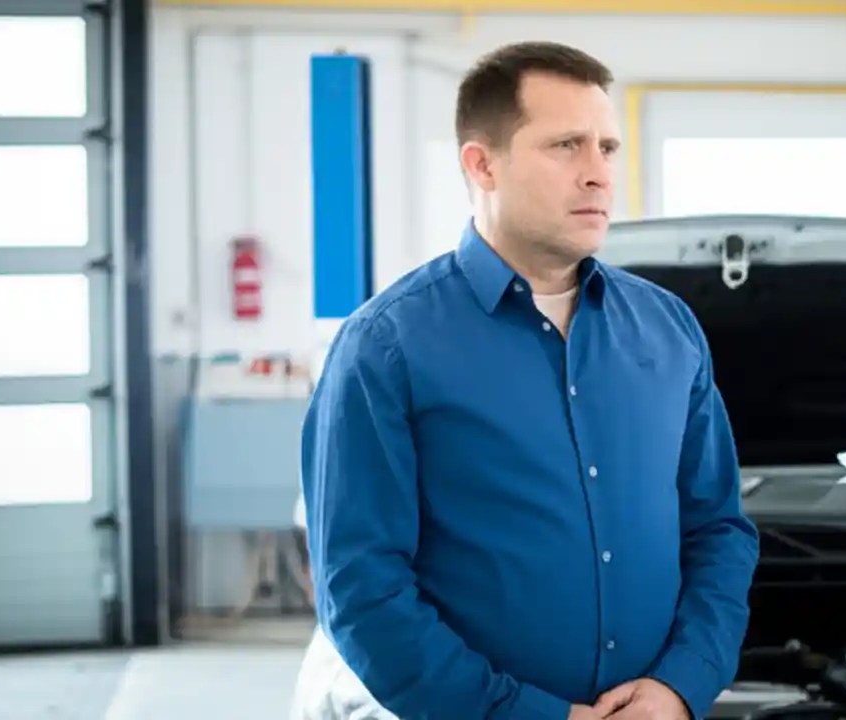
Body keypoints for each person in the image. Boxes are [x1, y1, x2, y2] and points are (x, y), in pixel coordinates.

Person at [298, 40, 760, 720]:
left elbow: (718, 530)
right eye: (566, 146)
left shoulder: (668, 331)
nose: (598, 174)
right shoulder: (385, 347)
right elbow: (363, 590)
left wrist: (680, 686)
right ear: (481, 164)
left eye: (607, 148)